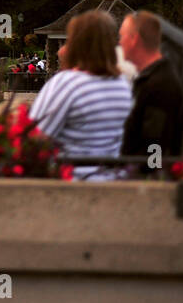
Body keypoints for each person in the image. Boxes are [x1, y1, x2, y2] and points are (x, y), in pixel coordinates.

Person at [29, 10, 134, 180]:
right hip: (114, 180)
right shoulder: (122, 85)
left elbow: (35, 139)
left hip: (75, 182)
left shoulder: (66, 83)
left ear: (77, 44)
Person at [119, 11, 183, 167]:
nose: (120, 42)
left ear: (134, 39)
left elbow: (156, 143)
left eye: (122, 36)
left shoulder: (159, 85)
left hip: (147, 184)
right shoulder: (153, 78)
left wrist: (149, 179)